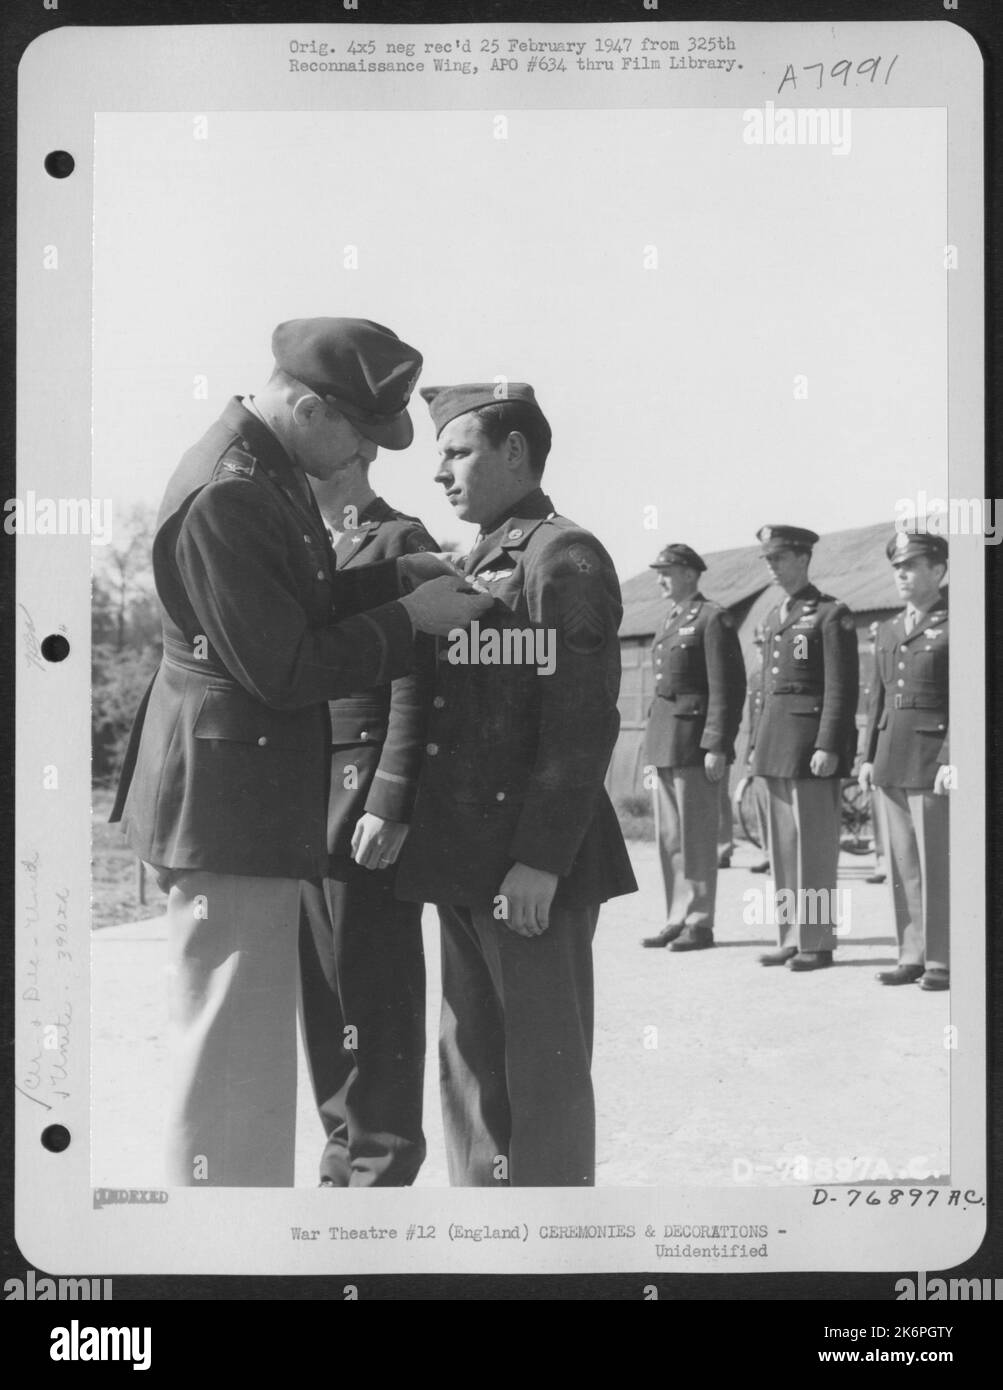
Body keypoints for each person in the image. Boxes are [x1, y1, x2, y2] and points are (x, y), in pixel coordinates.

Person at [110, 317, 492, 1187]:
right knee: (232, 1057)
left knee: (242, 1047)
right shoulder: (234, 493)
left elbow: (292, 603)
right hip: (225, 805)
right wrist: (409, 622)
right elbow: (284, 668)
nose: (364, 455)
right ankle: (220, 1253)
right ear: (310, 406)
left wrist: (392, 580)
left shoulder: (263, 470)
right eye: (359, 433)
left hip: (236, 796)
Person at [394, 382, 637, 1186]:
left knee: (542, 1071)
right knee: (469, 1065)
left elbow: (581, 720)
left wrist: (538, 859)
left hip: (529, 866)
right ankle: (485, 1240)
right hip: (465, 854)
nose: (441, 475)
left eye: (456, 452)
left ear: (513, 452)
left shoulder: (560, 556)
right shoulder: (481, 557)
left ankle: (555, 1253)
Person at [298, 457, 438, 1187]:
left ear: (353, 455)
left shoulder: (400, 542)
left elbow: (419, 677)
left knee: (373, 982)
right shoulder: (304, 545)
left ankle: (381, 1163)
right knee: (321, 989)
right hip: (306, 788)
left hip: (363, 794)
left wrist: (390, 797)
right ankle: (339, 1151)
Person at [749, 525, 859, 971]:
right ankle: (790, 936)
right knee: (783, 849)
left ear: (801, 559)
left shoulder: (831, 614)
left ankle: (816, 941)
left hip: (811, 750)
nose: (772, 567)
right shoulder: (775, 617)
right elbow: (766, 690)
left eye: (778, 558)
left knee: (813, 848)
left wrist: (829, 743)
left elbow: (841, 685)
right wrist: (755, 743)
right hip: (775, 745)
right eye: (768, 560)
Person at [640, 544, 746, 950]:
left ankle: (700, 921)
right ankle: (676, 915)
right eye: (659, 571)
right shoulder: (669, 618)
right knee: (670, 837)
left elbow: (727, 686)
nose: (660, 579)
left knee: (697, 836)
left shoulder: (712, 617)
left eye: (667, 571)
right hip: (666, 740)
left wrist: (718, 744)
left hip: (696, 744)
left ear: (689, 574)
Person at [859, 531, 950, 990]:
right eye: (897, 566)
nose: (901, 573)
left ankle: (941, 958)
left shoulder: (960, 622)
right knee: (902, 863)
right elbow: (877, 698)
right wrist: (868, 755)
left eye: (911, 565)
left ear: (938, 571)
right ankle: (910, 952)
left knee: (936, 861)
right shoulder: (889, 629)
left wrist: (954, 754)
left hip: (934, 760)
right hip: (892, 757)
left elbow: (970, 696)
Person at [734, 624, 771, 873]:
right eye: (757, 646)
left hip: (775, 748)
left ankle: (780, 855)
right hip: (758, 748)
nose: (760, 650)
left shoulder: (778, 675)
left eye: (763, 645)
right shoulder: (756, 677)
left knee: (776, 805)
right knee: (761, 804)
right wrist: (749, 752)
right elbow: (753, 718)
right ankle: (768, 853)